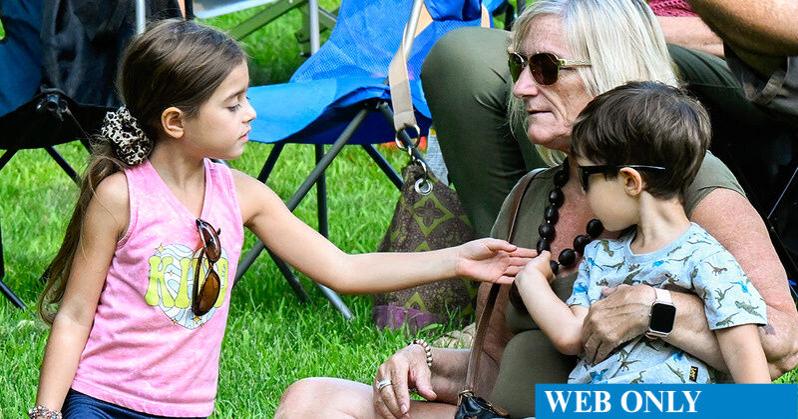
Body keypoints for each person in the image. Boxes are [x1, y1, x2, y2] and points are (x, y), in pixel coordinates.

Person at [275, 1, 798, 417]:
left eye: (546, 69)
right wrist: (426, 365)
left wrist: (655, 312)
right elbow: (500, 361)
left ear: (612, 70)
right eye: (516, 65)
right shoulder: (534, 192)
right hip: (514, 409)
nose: (522, 87)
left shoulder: (689, 186)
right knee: (313, 400)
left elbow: (782, 348)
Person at [28, 19, 536, 419]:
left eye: (246, 97)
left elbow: (344, 269)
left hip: (184, 410)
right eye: (233, 105)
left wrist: (457, 260)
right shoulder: (122, 197)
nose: (250, 112)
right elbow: (74, 315)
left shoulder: (242, 195)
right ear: (176, 122)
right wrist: (47, 413)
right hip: (102, 402)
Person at [515, 81, 769, 385]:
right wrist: (530, 280)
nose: (582, 190)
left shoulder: (707, 260)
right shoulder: (601, 256)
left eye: (586, 175)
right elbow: (572, 335)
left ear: (630, 182)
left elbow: (746, 360)